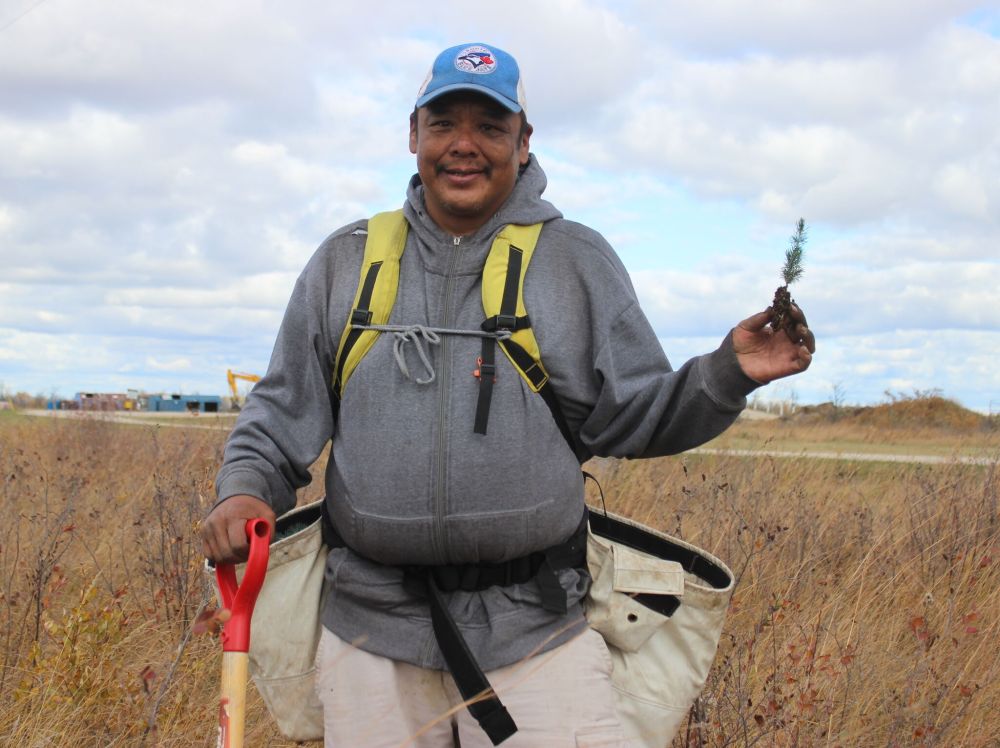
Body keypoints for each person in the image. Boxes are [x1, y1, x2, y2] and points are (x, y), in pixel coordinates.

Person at [201, 42, 815, 747]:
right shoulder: (347, 260)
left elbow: (636, 417)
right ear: (413, 135)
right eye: (444, 124)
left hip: (538, 632)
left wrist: (727, 373)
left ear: (524, 144)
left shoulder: (575, 260)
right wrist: (244, 490)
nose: (464, 146)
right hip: (368, 635)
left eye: (490, 127)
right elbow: (279, 413)